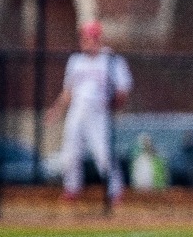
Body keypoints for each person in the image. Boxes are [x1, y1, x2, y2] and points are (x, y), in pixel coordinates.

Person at [49, 19, 132, 208]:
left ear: (97, 38)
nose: (85, 41)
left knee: (103, 153)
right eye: (84, 37)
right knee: (70, 152)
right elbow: (68, 91)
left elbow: (123, 89)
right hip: (77, 111)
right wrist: (56, 110)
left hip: (98, 112)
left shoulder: (111, 59)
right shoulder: (75, 61)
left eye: (89, 37)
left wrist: (113, 107)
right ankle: (72, 189)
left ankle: (115, 190)